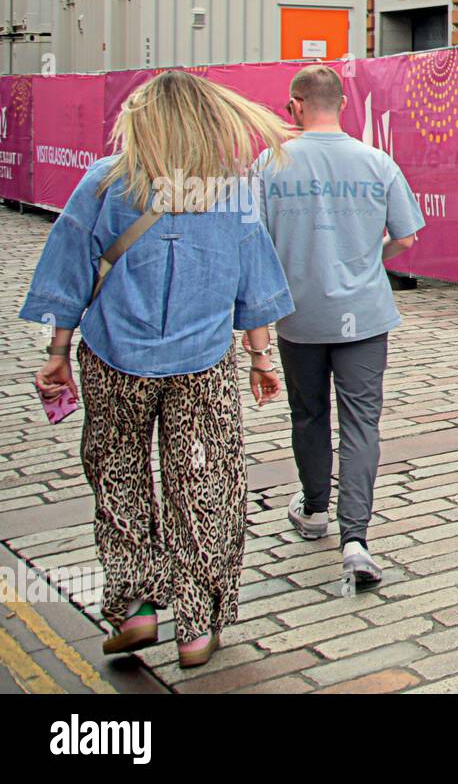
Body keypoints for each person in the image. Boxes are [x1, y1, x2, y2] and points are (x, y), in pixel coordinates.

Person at [21, 70, 295, 668]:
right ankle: (197, 627)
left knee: (118, 474)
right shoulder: (231, 191)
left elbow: (69, 272)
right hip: (202, 364)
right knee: (205, 487)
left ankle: (135, 606)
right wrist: (260, 357)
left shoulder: (104, 183)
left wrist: (57, 352)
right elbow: (255, 283)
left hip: (115, 357)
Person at [255, 65, 424, 587]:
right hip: (365, 316)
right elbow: (407, 238)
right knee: (360, 423)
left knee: (308, 415)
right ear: (342, 105)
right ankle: (356, 539)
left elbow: (254, 246)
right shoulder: (376, 161)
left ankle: (313, 509)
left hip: (298, 315)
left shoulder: (270, 164)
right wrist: (369, 260)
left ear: (297, 105)